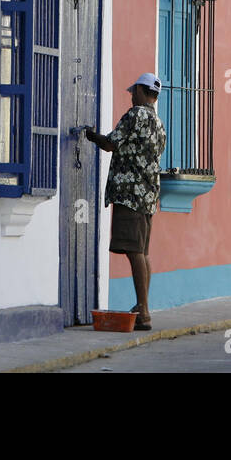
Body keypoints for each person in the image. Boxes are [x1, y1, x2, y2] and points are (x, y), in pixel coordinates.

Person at [85, 72, 166, 331]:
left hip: (130, 194)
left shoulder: (136, 115)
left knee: (133, 252)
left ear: (143, 92)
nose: (131, 96)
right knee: (142, 252)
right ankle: (142, 307)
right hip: (148, 195)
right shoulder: (158, 123)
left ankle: (143, 312)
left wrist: (91, 136)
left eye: (134, 91)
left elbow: (111, 144)